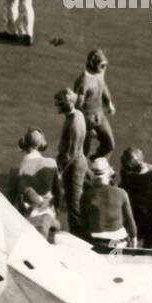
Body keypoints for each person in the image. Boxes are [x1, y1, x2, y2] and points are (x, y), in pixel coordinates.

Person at [8, 128, 62, 243]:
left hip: (27, 217)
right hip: (49, 214)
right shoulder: (51, 163)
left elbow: (10, 201)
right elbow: (57, 192)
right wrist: (57, 209)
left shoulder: (16, 169)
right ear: (40, 145)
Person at [119, 148, 152, 249]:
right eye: (125, 169)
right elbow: (123, 188)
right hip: (133, 216)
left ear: (139, 165)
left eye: (130, 169)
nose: (128, 172)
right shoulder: (126, 170)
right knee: (127, 248)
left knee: (150, 252)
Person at [80, 157, 137, 253]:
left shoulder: (86, 196)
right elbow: (130, 224)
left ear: (92, 176)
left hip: (97, 243)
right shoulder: (121, 193)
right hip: (119, 242)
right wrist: (134, 244)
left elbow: (83, 227)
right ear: (109, 174)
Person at [55, 88, 87, 234]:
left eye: (59, 103)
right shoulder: (77, 114)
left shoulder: (74, 123)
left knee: (74, 204)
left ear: (68, 104)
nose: (57, 106)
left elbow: (71, 154)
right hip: (75, 162)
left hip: (73, 167)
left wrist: (60, 172)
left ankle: (79, 236)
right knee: (74, 202)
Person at [75, 48, 116, 158]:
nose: (104, 68)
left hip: (99, 115)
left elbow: (103, 86)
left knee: (109, 145)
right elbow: (77, 106)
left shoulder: (100, 73)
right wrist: (87, 128)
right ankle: (82, 172)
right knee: (83, 153)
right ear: (93, 64)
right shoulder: (83, 82)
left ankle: (96, 162)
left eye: (105, 65)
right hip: (86, 120)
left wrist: (108, 103)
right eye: (102, 65)